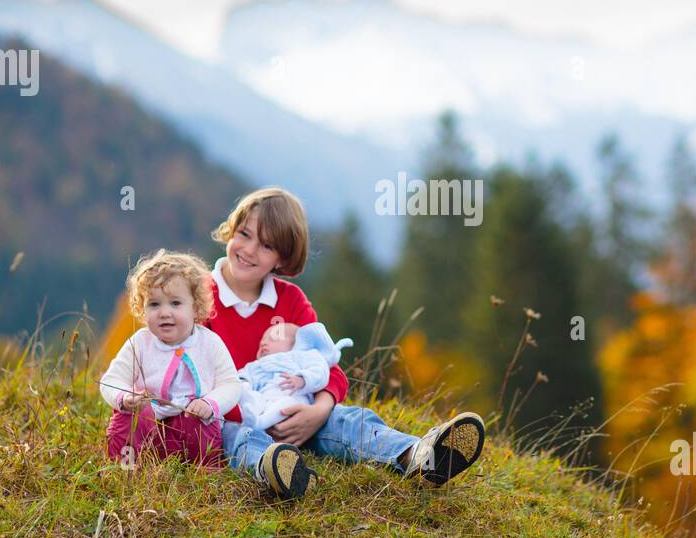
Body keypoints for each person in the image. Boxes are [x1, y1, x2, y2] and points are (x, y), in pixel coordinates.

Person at [204, 186, 485, 499]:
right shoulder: (200, 297)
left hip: (300, 416)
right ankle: (273, 469)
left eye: (266, 244)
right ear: (230, 230)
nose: (249, 249)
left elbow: (327, 366)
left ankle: (416, 456)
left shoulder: (290, 300)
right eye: (244, 233)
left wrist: (319, 412)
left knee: (351, 420)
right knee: (238, 439)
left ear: (282, 258)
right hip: (237, 419)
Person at [102, 250, 241, 467]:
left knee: (201, 420)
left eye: (175, 303)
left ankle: (204, 471)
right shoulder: (140, 343)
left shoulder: (209, 343)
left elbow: (231, 385)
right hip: (149, 433)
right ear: (142, 308)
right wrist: (124, 397)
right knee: (131, 415)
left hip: (190, 430)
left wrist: (210, 403)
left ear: (195, 307)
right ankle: (124, 466)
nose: (164, 312)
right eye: (154, 304)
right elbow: (111, 380)